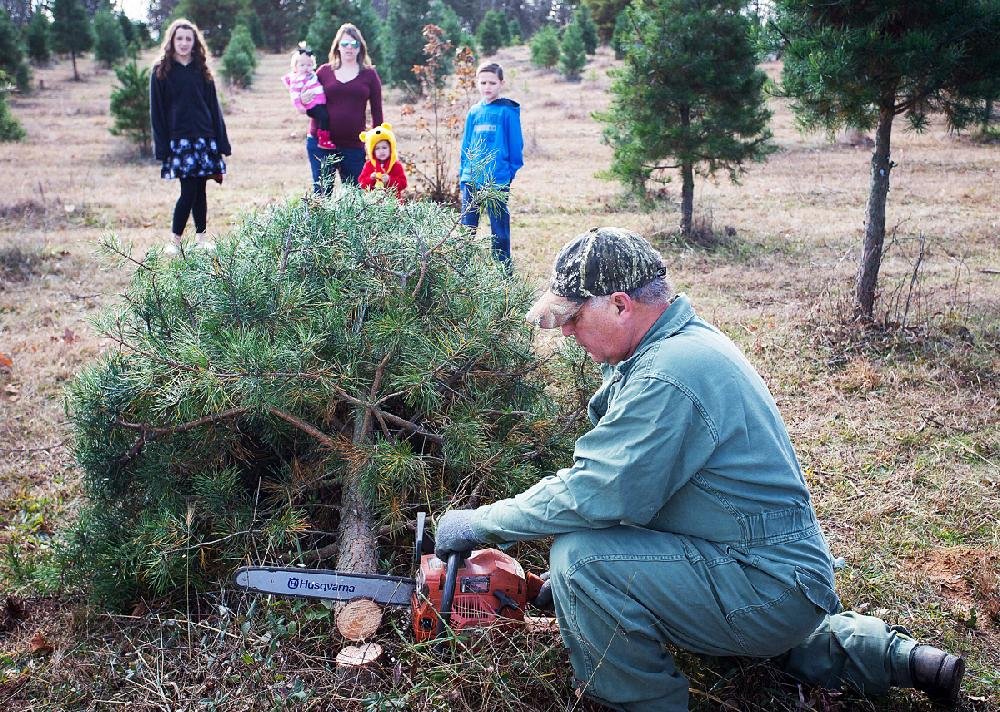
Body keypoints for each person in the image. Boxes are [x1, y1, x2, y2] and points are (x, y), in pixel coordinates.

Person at [433, 227, 966, 711]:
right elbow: (641, 491)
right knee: (610, 577)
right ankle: (896, 658)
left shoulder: (669, 374)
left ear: (619, 305)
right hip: (777, 572)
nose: (568, 333)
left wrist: (482, 521)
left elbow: (596, 491)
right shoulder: (682, 345)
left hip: (769, 586)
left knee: (582, 562)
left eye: (574, 318)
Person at [150, 18, 230, 251]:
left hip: (204, 139)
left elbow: (214, 108)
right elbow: (157, 112)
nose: (184, 43)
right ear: (171, 41)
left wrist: (222, 142)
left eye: (188, 39)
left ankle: (202, 239)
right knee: (188, 191)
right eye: (179, 38)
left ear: (194, 42)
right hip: (180, 140)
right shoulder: (161, 72)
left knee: (201, 189)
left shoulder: (202, 71)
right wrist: (162, 148)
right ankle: (175, 241)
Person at [302, 23, 383, 193]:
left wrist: (378, 142)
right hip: (321, 145)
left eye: (354, 44)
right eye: (345, 44)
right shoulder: (324, 72)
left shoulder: (369, 75)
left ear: (360, 48)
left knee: (355, 197)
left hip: (353, 146)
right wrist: (304, 100)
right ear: (337, 46)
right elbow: (309, 104)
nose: (349, 48)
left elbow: (377, 112)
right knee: (322, 195)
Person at [458, 62, 523, 271]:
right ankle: (462, 268)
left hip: (497, 179)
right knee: (467, 226)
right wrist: (463, 174)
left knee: (499, 227)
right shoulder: (474, 112)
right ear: (477, 83)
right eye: (483, 82)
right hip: (472, 179)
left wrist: (509, 171)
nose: (487, 87)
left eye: (492, 83)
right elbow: (466, 145)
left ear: (501, 83)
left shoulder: (507, 111)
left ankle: (503, 270)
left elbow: (515, 144)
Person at [282, 43, 335, 150]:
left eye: (309, 65)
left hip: (319, 103)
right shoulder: (297, 79)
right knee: (324, 117)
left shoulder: (313, 75)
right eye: (302, 65)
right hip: (311, 105)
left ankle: (326, 137)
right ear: (295, 67)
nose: (306, 68)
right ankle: (323, 139)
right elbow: (295, 95)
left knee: (327, 116)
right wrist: (300, 106)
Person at [358, 122, 407, 199]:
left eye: (384, 147)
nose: (381, 151)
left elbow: (403, 184)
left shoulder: (396, 165)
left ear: (391, 148)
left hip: (393, 204)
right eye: (377, 148)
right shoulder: (369, 165)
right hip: (373, 203)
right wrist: (371, 178)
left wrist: (389, 180)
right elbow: (362, 183)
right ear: (372, 151)